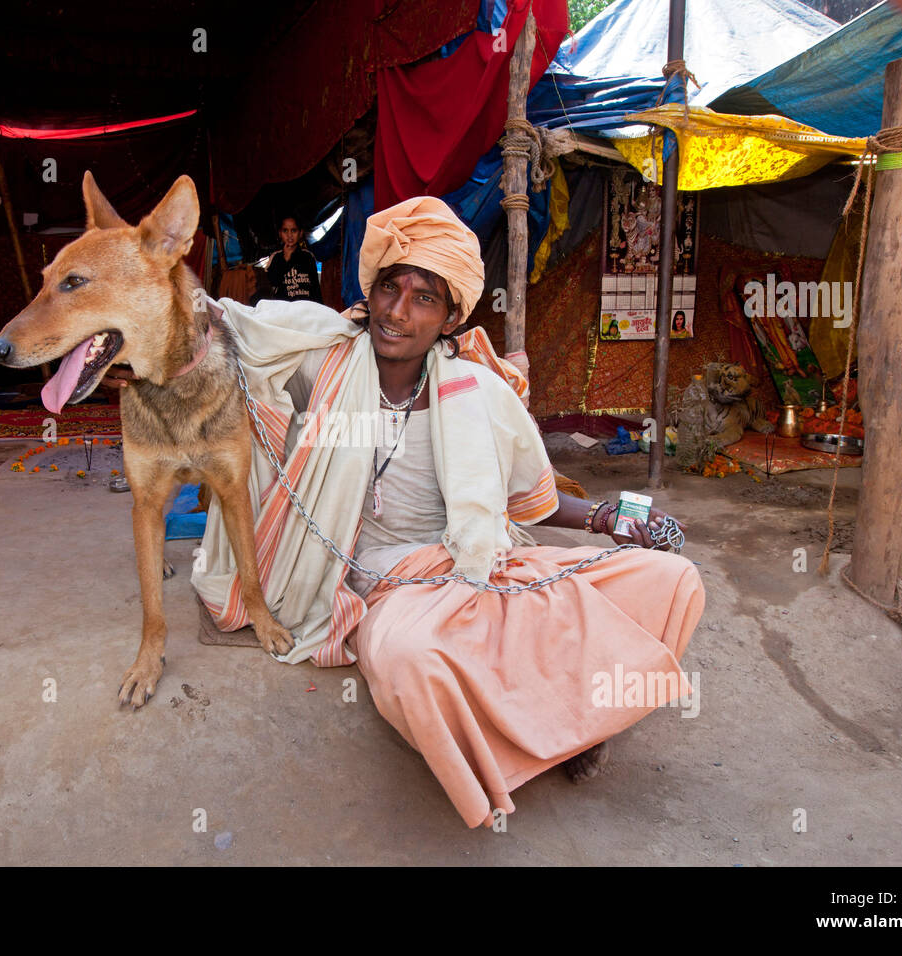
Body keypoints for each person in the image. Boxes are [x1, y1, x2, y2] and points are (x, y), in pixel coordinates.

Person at [192, 198, 704, 828]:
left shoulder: (476, 391)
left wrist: (610, 519)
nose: (397, 312)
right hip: (388, 587)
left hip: (479, 561)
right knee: (412, 659)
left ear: (451, 316)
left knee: (671, 581)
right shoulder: (325, 366)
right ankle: (558, 727)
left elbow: (532, 501)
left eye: (423, 299)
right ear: (371, 291)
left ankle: (580, 720)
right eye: (389, 288)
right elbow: (238, 329)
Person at [263, 216, 323, 304]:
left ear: (300, 233)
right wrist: (286, 260)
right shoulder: (276, 257)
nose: (289, 235)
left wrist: (319, 308)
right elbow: (273, 283)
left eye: (294, 230)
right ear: (280, 233)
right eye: (285, 231)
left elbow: (315, 288)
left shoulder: (308, 256)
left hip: (305, 308)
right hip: (285, 309)